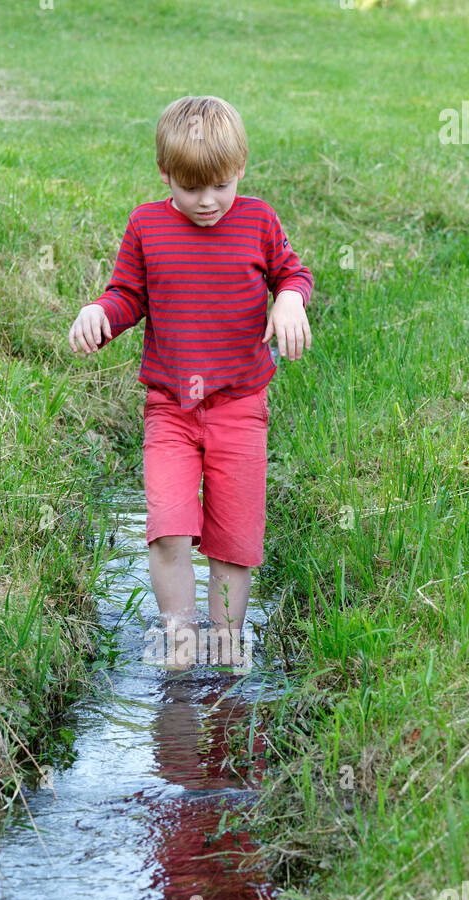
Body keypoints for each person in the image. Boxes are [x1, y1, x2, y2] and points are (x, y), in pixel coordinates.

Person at [68, 94, 313, 665]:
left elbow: (292, 273)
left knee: (233, 538)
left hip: (240, 407)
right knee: (169, 529)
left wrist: (290, 303)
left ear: (240, 171)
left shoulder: (257, 220)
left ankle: (226, 645)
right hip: (170, 409)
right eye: (190, 187)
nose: (207, 202)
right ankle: (178, 639)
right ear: (165, 174)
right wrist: (100, 315)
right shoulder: (147, 225)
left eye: (220, 186)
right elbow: (127, 294)